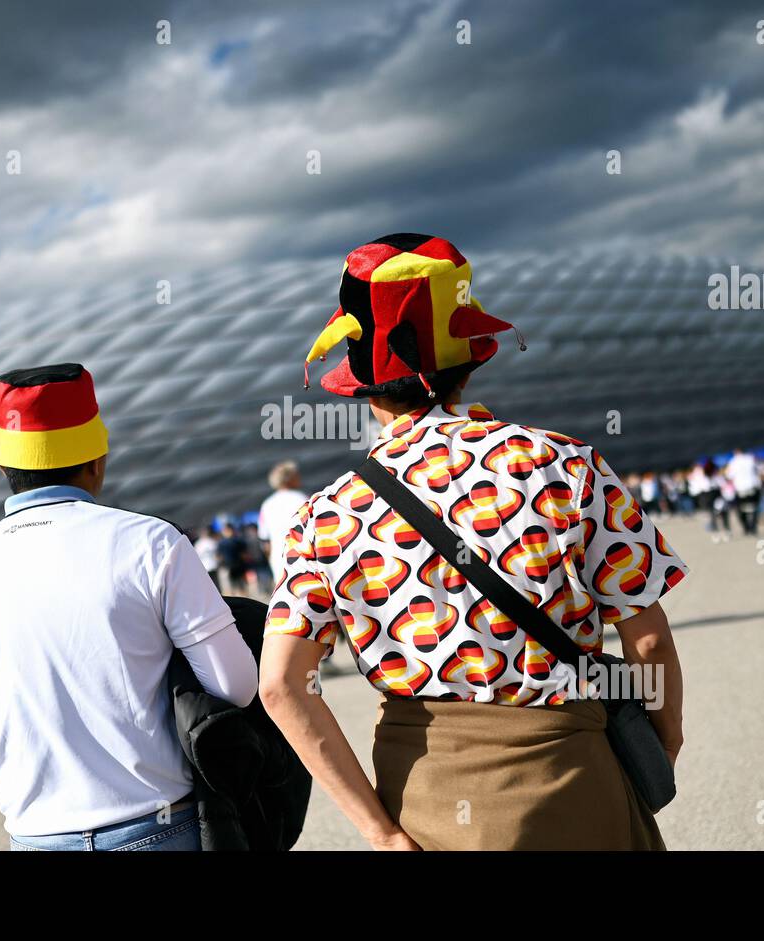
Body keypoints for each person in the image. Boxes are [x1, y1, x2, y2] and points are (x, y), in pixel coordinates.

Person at [259, 234, 687, 850]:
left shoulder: (325, 516)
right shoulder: (562, 464)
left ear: (363, 384)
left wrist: (381, 834)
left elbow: (280, 685)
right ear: (468, 360)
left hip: (426, 799)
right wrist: (661, 743)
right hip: (573, 779)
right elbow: (646, 637)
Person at [0, 363, 257, 851]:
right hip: (157, 826)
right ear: (97, 458)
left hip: (34, 835)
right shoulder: (151, 543)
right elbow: (235, 686)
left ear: (3, 466)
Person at [257, 461, 308, 585]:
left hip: (278, 558)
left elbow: (264, 538)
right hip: (304, 555)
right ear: (289, 479)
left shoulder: (267, 504)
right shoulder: (303, 499)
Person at [725, 448, 761, 535]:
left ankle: (746, 528)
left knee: (740, 510)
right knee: (754, 508)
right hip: (753, 486)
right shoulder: (750, 458)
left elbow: (729, 476)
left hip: (740, 488)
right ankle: (753, 527)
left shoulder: (733, 462)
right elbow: (758, 470)